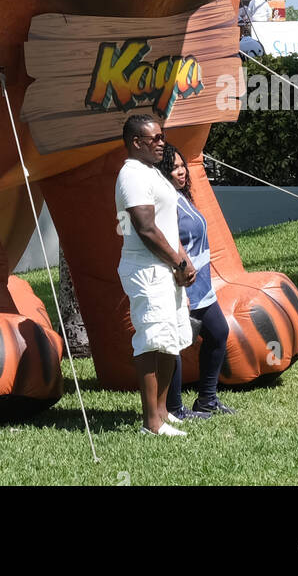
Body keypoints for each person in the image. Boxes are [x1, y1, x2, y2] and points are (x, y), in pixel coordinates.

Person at [115, 113, 195, 438]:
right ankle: (151, 423)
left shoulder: (150, 172)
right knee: (151, 342)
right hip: (146, 268)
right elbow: (145, 227)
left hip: (164, 266)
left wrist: (182, 261)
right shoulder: (132, 174)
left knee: (168, 340)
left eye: (162, 136)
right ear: (136, 142)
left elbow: (166, 223)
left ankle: (162, 412)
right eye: (156, 138)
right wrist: (177, 261)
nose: (162, 143)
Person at [159, 145, 235, 422]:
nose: (180, 171)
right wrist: (182, 283)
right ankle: (175, 408)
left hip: (202, 287)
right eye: (173, 168)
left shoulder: (181, 197)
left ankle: (207, 399)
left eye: (181, 166)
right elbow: (168, 244)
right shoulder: (164, 201)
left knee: (218, 333)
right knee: (174, 345)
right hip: (182, 287)